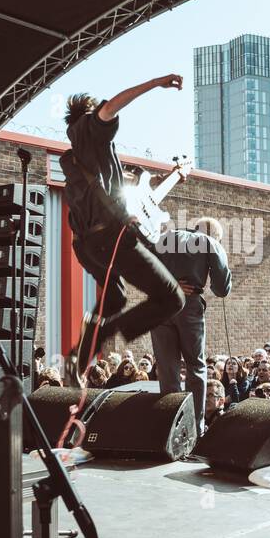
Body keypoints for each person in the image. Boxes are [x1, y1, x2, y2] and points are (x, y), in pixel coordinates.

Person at [58, 76, 187, 383]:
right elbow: (112, 105)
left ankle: (78, 356)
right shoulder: (90, 131)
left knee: (114, 298)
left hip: (87, 247)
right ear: (89, 115)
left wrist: (171, 178)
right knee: (173, 299)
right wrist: (157, 83)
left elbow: (133, 200)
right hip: (111, 239)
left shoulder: (78, 159)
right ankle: (107, 333)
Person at [150, 216, 232, 434]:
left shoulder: (163, 237)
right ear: (215, 235)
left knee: (167, 369)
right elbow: (221, 289)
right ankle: (194, 430)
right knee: (195, 366)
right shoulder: (210, 243)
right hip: (188, 307)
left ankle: (170, 429)